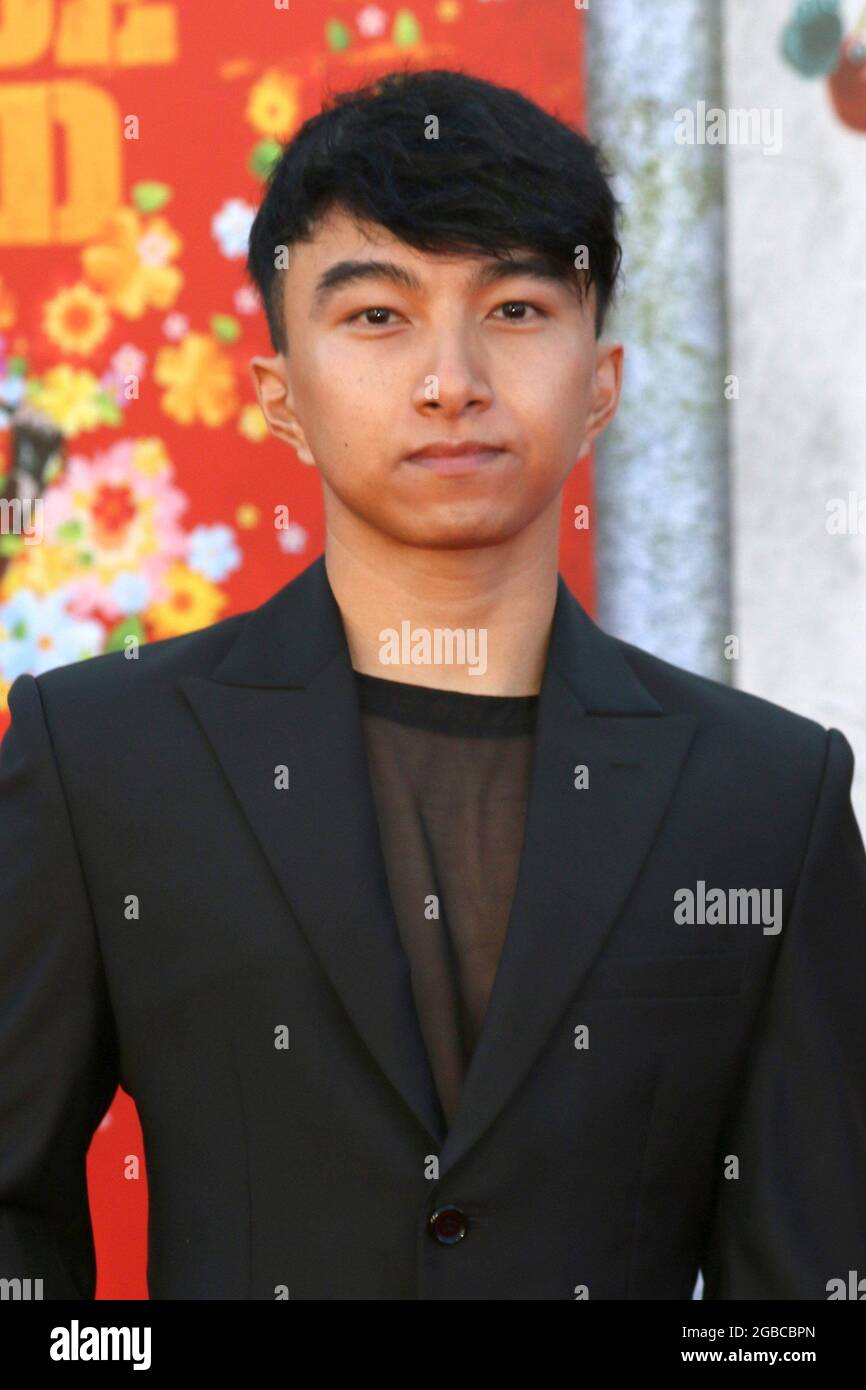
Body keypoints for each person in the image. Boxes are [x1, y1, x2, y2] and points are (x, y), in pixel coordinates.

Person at [1, 68, 865, 1301]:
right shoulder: (100, 757)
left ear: (602, 384)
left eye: (514, 309)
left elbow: (813, 1275)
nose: (449, 378)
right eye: (375, 316)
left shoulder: (766, 795)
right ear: (278, 397)